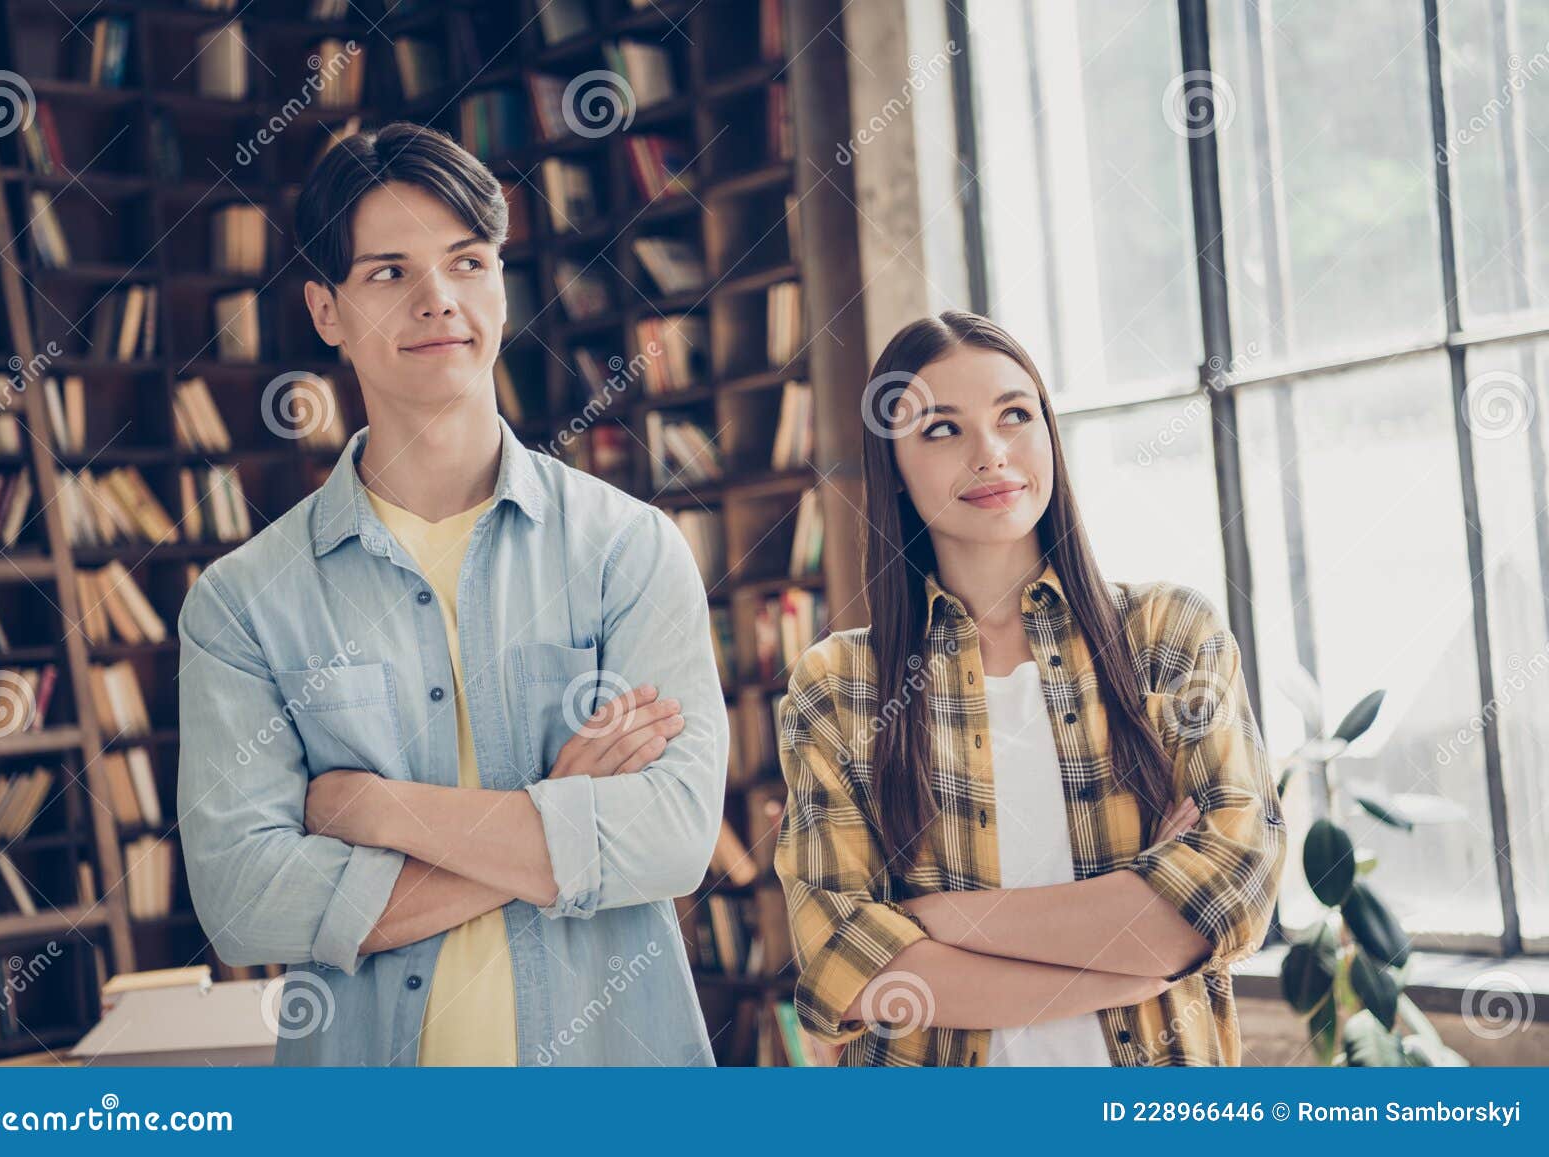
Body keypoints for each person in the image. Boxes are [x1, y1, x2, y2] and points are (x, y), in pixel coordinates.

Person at [177, 121, 728, 1066]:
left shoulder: (628, 551)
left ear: (501, 286)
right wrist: (565, 812)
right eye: (389, 272)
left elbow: (673, 838)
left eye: (467, 261)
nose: (438, 298)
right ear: (326, 310)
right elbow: (245, 901)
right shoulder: (241, 605)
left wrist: (375, 809)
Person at [774, 309, 1286, 1066]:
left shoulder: (1170, 635)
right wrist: (1129, 957)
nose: (991, 453)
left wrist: (938, 919)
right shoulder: (839, 686)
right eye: (942, 429)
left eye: (1014, 415)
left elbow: (1228, 896)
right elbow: (846, 969)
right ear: (894, 468)